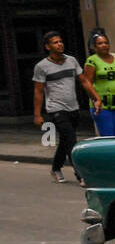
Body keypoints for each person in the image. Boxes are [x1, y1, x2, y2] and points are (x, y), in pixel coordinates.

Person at [33, 31, 87, 185]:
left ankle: (56, 168)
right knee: (71, 142)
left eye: (60, 41)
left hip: (73, 107)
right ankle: (80, 175)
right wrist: (37, 114)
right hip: (56, 109)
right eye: (55, 42)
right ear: (48, 47)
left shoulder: (72, 61)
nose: (60, 44)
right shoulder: (41, 67)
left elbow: (83, 81)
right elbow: (38, 91)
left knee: (65, 141)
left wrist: (96, 98)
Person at [81, 33, 115, 137]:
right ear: (94, 47)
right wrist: (95, 100)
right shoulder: (92, 60)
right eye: (100, 43)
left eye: (106, 43)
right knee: (108, 136)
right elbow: (87, 83)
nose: (104, 45)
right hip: (102, 106)